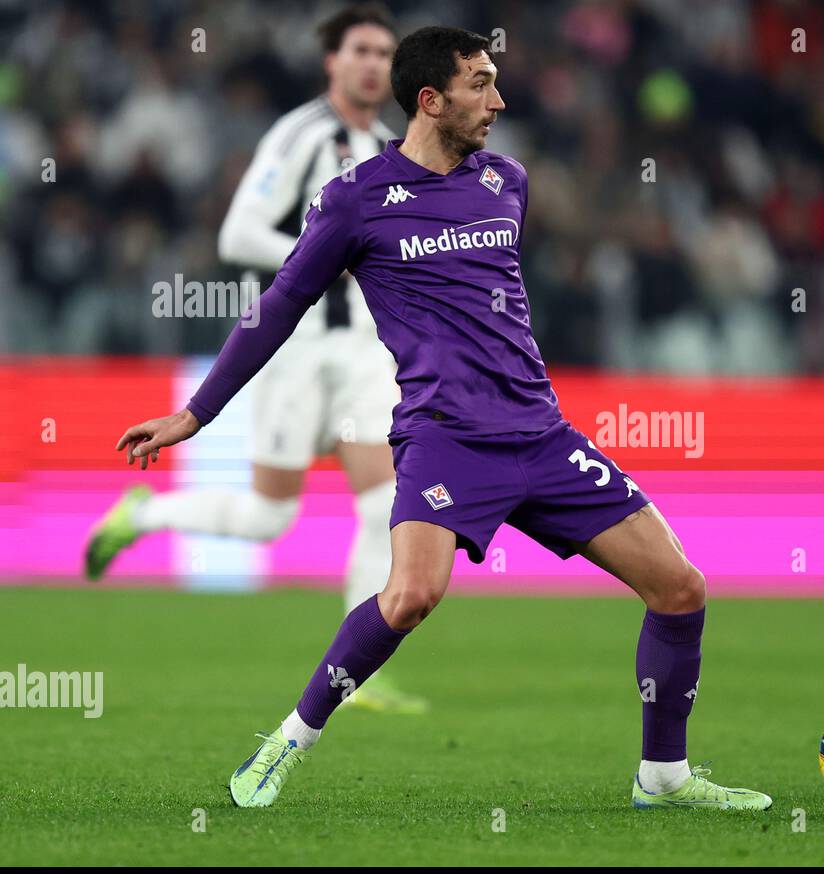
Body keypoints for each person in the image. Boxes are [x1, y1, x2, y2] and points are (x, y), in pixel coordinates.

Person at [113, 25, 771, 811]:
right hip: (445, 439)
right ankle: (285, 742)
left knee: (681, 588)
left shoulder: (507, 182)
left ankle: (662, 778)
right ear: (432, 99)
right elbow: (280, 305)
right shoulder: (356, 200)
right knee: (410, 598)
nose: (498, 100)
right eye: (481, 83)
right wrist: (198, 411)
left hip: (542, 435)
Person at [85, 5, 426, 715]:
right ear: (331, 61)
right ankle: (142, 515)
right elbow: (239, 233)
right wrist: (325, 259)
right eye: (360, 50)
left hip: (361, 350)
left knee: (381, 503)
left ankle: (353, 671)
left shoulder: (383, 147)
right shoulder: (301, 136)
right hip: (293, 352)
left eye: (383, 53)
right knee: (271, 519)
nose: (372, 63)